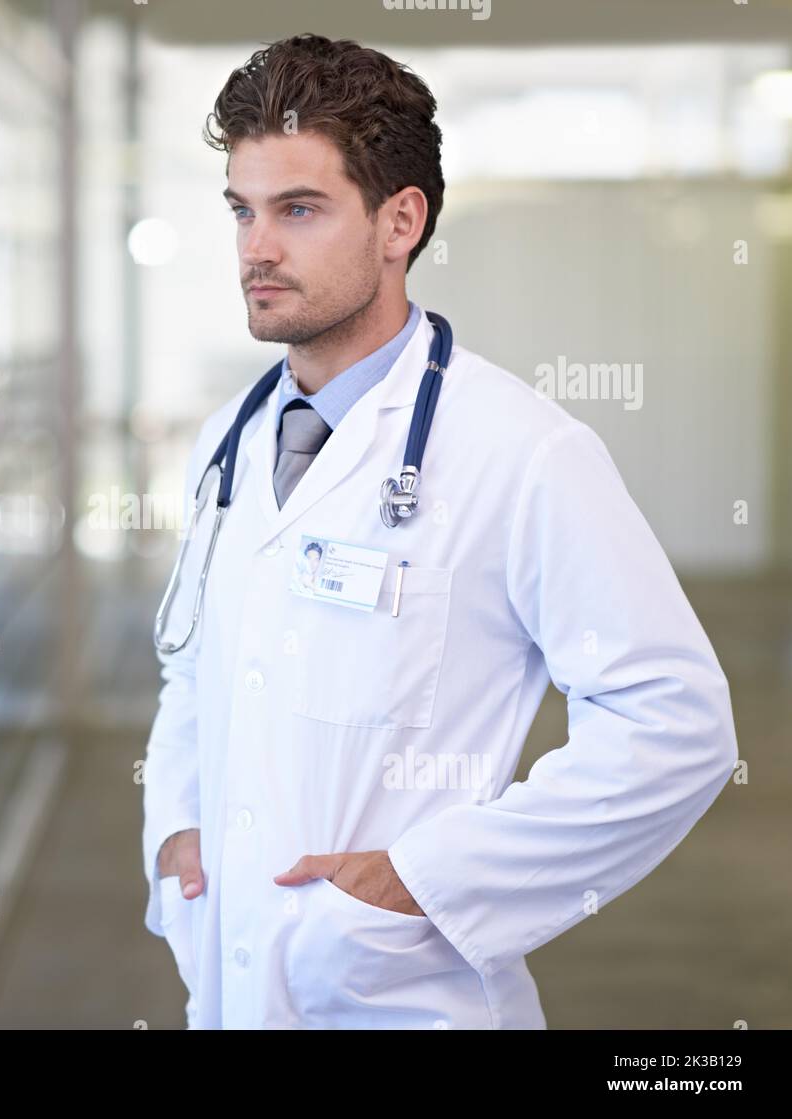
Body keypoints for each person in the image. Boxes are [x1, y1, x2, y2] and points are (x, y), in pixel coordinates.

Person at [141, 33, 737, 1030]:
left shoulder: (520, 452)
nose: (255, 249)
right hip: (229, 985)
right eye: (241, 211)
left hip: (399, 997)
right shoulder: (229, 439)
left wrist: (426, 879)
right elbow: (198, 672)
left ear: (398, 221)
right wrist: (175, 830)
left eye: (298, 209)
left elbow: (673, 725)